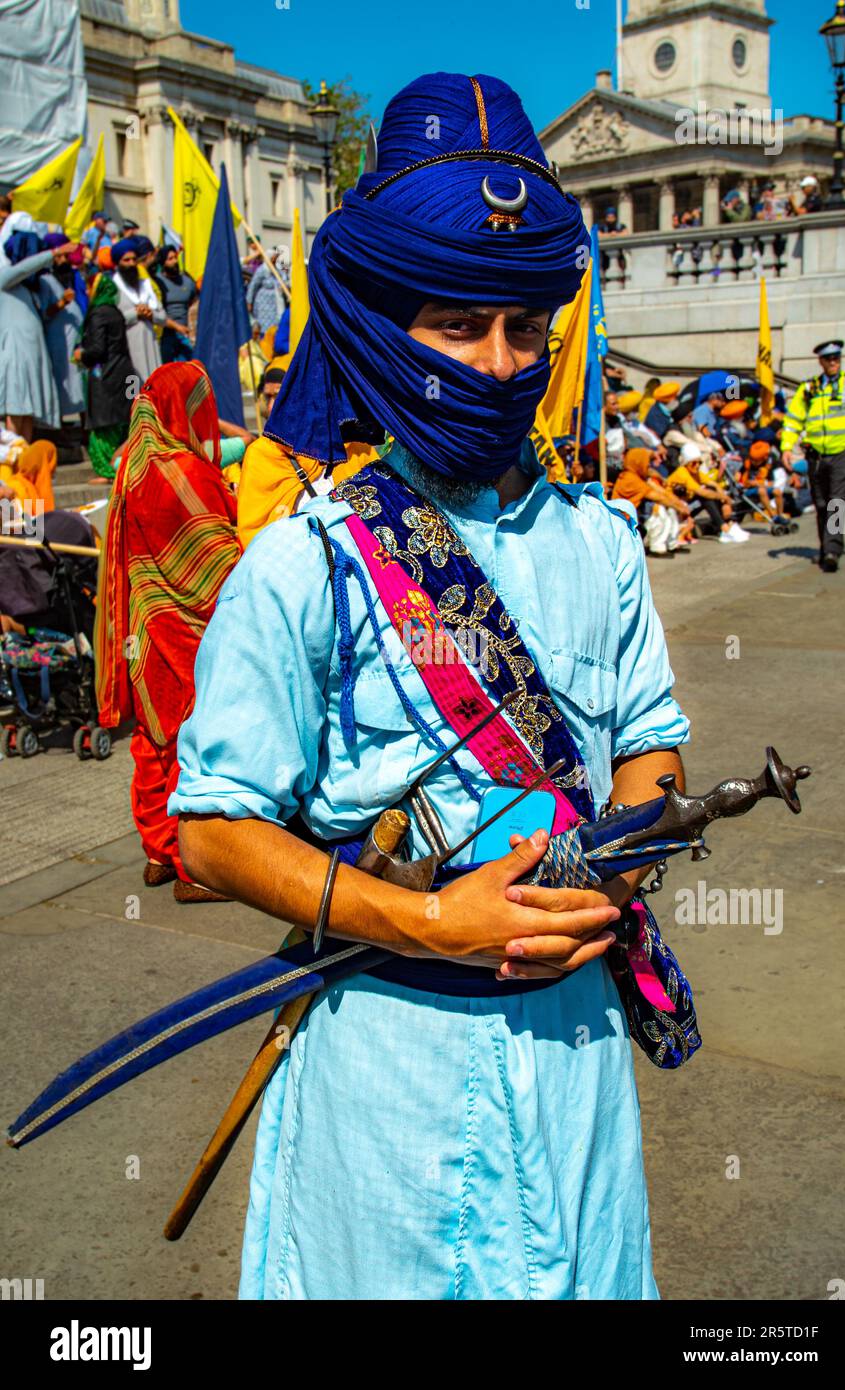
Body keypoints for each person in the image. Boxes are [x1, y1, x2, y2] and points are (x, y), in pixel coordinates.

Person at [169, 71, 691, 1302]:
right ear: (379, 321)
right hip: (386, 1081)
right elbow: (212, 831)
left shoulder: (603, 544)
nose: (499, 363)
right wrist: (426, 920)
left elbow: (652, 747)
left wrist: (618, 860)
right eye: (457, 325)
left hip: (576, 1061)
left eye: (524, 330)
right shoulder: (305, 560)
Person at [95, 361, 241, 898]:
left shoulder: (132, 466)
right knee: (191, 739)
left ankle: (158, 852)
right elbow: (220, 558)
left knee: (153, 739)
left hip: (143, 627)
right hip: (187, 630)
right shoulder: (185, 472)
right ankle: (192, 870)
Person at [236, 361, 377, 547]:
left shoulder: (356, 448)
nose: (271, 407)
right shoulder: (262, 455)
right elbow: (253, 538)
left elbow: (381, 515)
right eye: (267, 397)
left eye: (279, 396)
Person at [781, 339, 845, 572]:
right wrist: (786, 447)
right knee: (821, 503)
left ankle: (832, 550)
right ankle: (826, 546)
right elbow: (793, 420)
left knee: (837, 501)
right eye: (828, 359)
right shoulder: (809, 388)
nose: (833, 362)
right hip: (817, 456)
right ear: (820, 361)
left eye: (836, 358)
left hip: (844, 452)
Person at [0, 228, 75, 439]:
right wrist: (53, 253)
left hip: (34, 354)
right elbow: (23, 269)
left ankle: (25, 457)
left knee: (29, 412)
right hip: (15, 353)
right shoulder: (5, 279)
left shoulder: (30, 289)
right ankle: (12, 457)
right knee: (15, 407)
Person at [73, 274, 135, 479]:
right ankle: (121, 466)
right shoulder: (115, 312)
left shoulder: (98, 314)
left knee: (103, 426)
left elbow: (98, 349)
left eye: (90, 287)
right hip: (123, 372)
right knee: (121, 423)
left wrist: (81, 354)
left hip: (106, 375)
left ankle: (108, 470)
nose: (87, 292)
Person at [37, 233, 86, 420]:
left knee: (81, 382)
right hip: (58, 342)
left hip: (76, 339)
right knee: (62, 381)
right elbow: (44, 312)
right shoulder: (45, 280)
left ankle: (85, 426)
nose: (64, 261)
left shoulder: (72, 276)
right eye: (60, 256)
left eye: (67, 256)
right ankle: (60, 424)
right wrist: (62, 303)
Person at [611, 447, 692, 556]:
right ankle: (657, 547)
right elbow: (659, 497)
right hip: (626, 522)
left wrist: (679, 504)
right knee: (660, 510)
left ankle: (672, 543)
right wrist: (680, 508)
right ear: (638, 462)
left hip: (637, 516)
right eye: (646, 462)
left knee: (669, 509)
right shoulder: (630, 479)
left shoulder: (638, 475)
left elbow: (663, 492)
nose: (648, 465)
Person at [668, 441, 749, 543]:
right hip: (674, 507)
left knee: (711, 490)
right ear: (686, 463)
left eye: (699, 463)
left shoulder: (696, 473)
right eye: (694, 463)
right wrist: (725, 497)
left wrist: (725, 502)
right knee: (705, 496)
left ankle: (728, 524)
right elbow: (702, 492)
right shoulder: (682, 473)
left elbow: (714, 484)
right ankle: (723, 527)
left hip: (686, 504)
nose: (697, 466)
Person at [111, 237, 165, 386]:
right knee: (133, 391)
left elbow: (163, 317)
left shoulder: (146, 285)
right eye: (126, 260)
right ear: (118, 263)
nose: (131, 263)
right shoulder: (113, 288)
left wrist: (150, 314)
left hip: (151, 346)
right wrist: (135, 313)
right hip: (129, 349)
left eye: (134, 259)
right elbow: (112, 320)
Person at [153, 245, 198, 363]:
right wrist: (176, 327)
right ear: (163, 263)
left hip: (185, 334)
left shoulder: (187, 282)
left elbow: (195, 305)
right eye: (170, 259)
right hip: (166, 334)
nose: (174, 261)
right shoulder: (157, 282)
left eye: (175, 257)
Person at [246, 252, 286, 334]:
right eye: (273, 258)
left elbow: (284, 279)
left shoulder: (278, 270)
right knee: (264, 326)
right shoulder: (262, 270)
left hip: (276, 303)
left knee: (276, 325)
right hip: (263, 304)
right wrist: (249, 302)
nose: (274, 260)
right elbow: (253, 286)